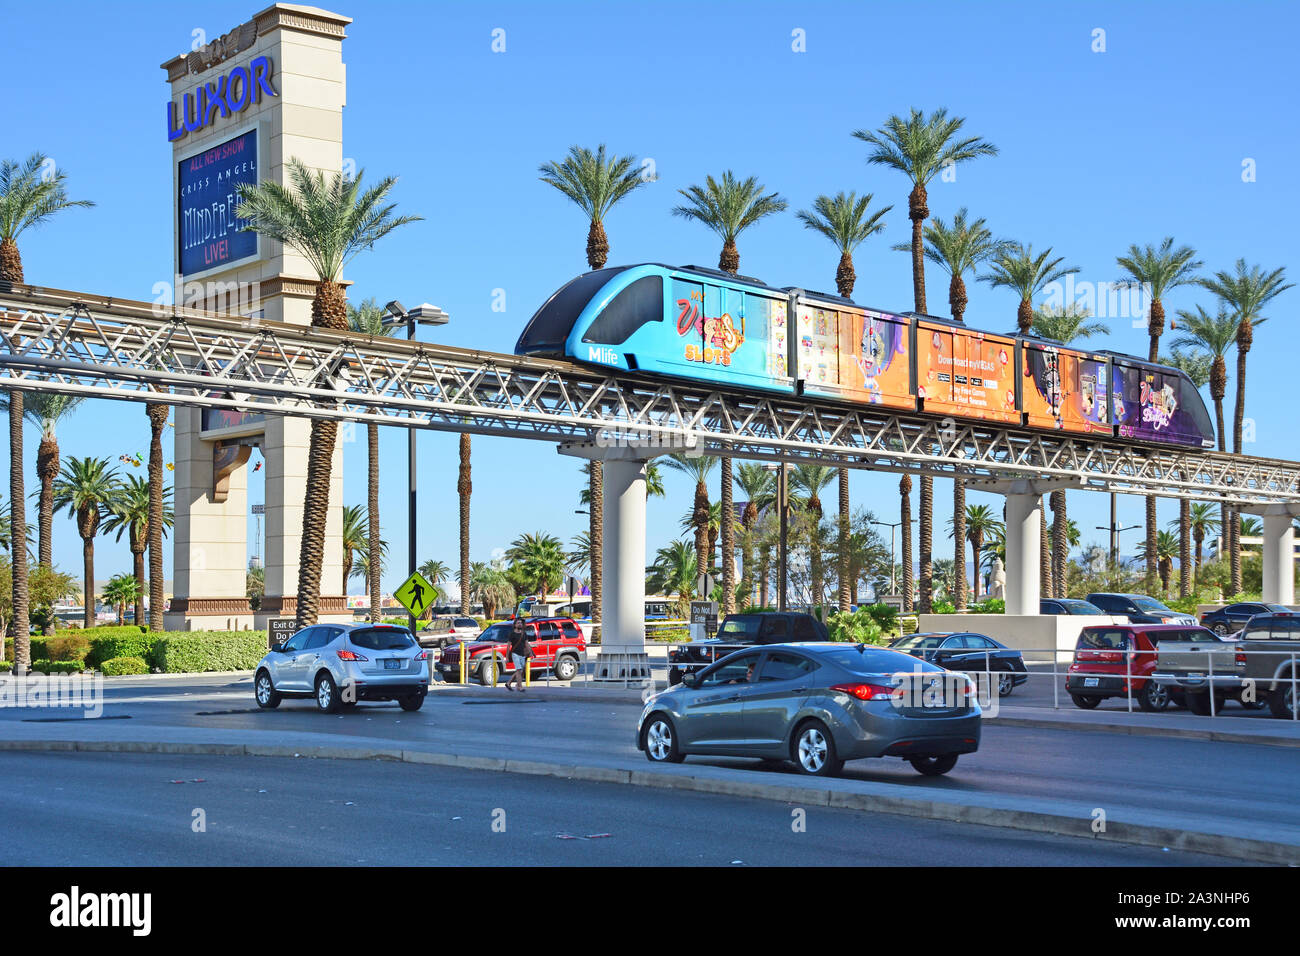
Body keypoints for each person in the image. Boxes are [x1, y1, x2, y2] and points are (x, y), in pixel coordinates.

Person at [506, 619, 533, 693]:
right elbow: (508, 646)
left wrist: (530, 653)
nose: (520, 624)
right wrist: (507, 657)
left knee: (520, 670)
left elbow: (526, 644)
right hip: (515, 654)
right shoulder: (512, 634)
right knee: (519, 670)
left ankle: (509, 683)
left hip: (522, 654)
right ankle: (519, 686)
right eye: (518, 623)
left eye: (521, 623)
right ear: (515, 625)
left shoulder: (524, 634)